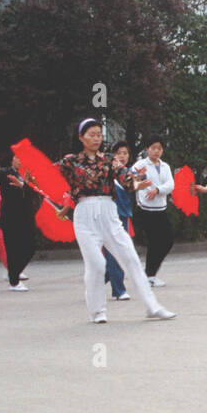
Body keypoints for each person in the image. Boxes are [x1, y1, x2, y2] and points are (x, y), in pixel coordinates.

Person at [57, 119, 176, 322]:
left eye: (98, 134)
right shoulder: (70, 161)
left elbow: (125, 178)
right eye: (91, 134)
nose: (96, 138)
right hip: (84, 213)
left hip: (109, 212)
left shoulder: (109, 160)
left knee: (130, 258)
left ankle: (152, 306)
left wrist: (136, 183)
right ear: (80, 137)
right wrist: (28, 178)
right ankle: (98, 311)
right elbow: (46, 175)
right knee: (96, 263)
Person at [0, 153, 41, 292]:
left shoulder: (30, 175)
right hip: (10, 217)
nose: (20, 161)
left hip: (26, 217)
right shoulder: (6, 173)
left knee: (30, 247)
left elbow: (36, 194)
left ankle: (13, 273)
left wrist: (25, 185)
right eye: (17, 158)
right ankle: (14, 280)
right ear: (12, 159)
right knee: (10, 250)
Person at [97, 141, 137, 300]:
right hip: (108, 216)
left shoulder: (129, 172)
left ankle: (98, 281)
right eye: (119, 153)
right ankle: (119, 289)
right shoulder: (107, 173)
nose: (122, 156)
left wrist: (139, 179)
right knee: (115, 253)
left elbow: (137, 184)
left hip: (123, 216)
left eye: (125, 153)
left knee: (119, 252)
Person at [132, 136, 175, 287]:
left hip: (161, 208)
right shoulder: (140, 164)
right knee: (154, 242)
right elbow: (133, 181)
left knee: (168, 240)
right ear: (147, 149)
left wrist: (158, 190)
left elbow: (170, 185)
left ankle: (150, 272)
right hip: (146, 209)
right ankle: (150, 275)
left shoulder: (165, 166)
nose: (156, 151)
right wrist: (140, 180)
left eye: (159, 148)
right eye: (153, 148)